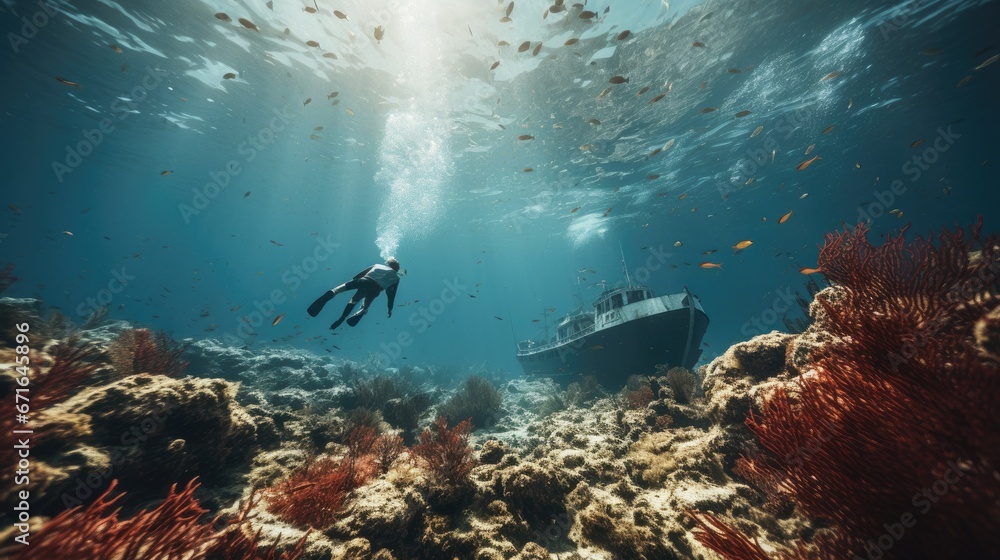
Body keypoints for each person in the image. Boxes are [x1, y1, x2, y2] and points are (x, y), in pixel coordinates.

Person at [307, 257, 402, 330]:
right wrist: (390, 308)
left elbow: (358, 275)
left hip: (363, 281)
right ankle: (344, 317)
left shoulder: (377, 265)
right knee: (361, 305)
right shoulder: (397, 278)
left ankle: (332, 293)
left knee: (338, 290)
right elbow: (391, 295)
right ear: (396, 267)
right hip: (375, 290)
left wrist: (352, 283)